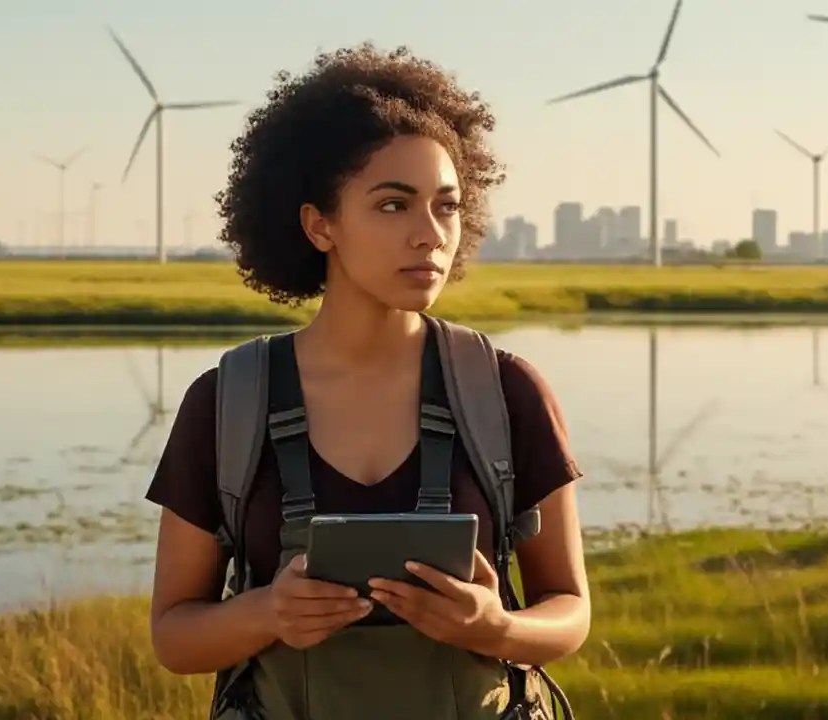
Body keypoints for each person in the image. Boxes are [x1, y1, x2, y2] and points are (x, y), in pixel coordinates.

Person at [144, 43, 590, 719]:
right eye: (392, 206)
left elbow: (571, 611)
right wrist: (267, 612)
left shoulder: (506, 393)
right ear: (319, 224)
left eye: (446, 206)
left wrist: (495, 627)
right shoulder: (227, 401)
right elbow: (174, 637)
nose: (430, 235)